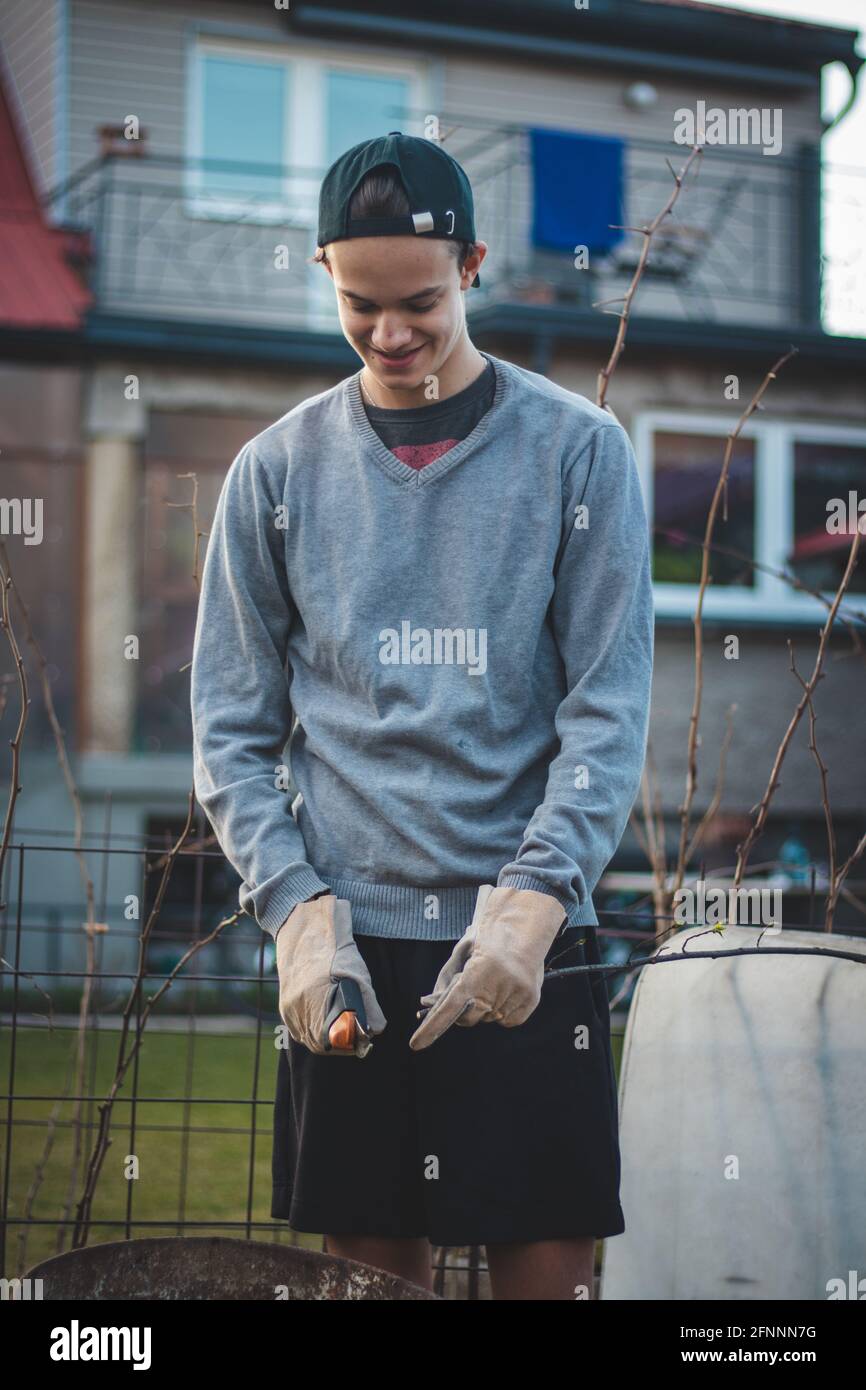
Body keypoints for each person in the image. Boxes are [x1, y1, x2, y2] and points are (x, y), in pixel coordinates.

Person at [190, 131, 654, 1301]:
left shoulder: (578, 456)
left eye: (420, 304)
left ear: (475, 269)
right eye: (359, 305)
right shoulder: (274, 475)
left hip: (530, 951)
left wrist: (539, 899)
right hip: (349, 959)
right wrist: (296, 914)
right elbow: (230, 728)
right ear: (324, 277)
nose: (390, 335)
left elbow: (607, 707)